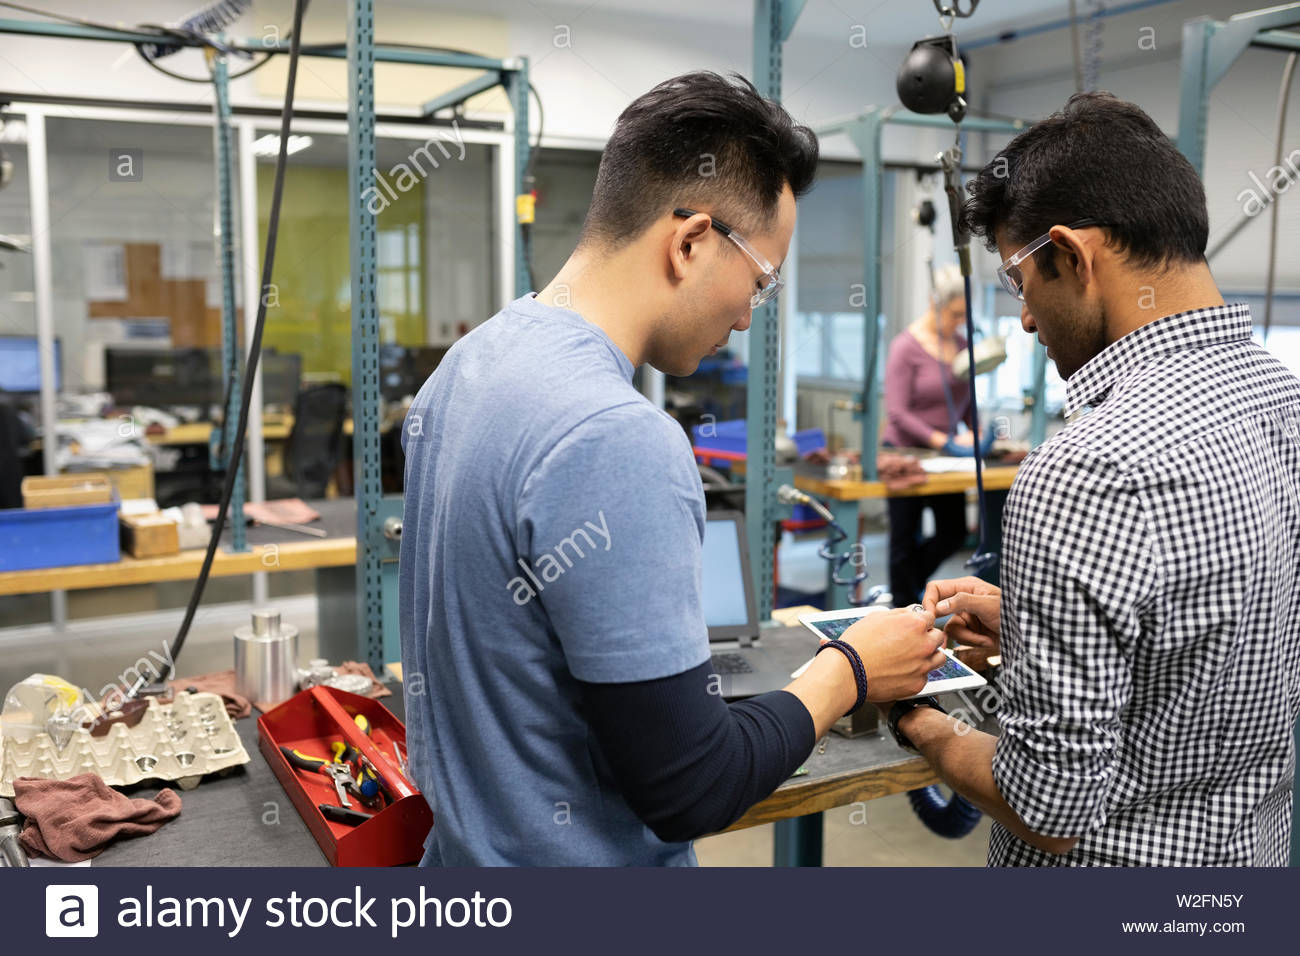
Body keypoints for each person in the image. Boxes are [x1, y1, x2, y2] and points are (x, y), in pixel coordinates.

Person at [398, 71, 946, 866]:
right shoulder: (616, 436)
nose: (749, 313)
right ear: (690, 242)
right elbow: (691, 786)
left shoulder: (471, 362)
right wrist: (851, 670)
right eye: (759, 281)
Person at [881, 92, 1300, 866]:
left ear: (1073, 257)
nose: (1028, 322)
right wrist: (1041, 629)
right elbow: (1232, 643)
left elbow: (1052, 806)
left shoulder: (1085, 469)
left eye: (1019, 283)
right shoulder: (1284, 401)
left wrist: (926, 727)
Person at [881, 264, 988, 606]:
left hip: (945, 458)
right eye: (955, 314)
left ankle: (910, 589)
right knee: (904, 538)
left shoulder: (961, 345)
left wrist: (976, 429)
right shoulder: (905, 347)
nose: (960, 322)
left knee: (954, 532)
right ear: (935, 303)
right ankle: (902, 603)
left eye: (964, 315)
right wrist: (943, 440)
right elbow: (898, 412)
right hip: (905, 453)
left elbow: (967, 397)